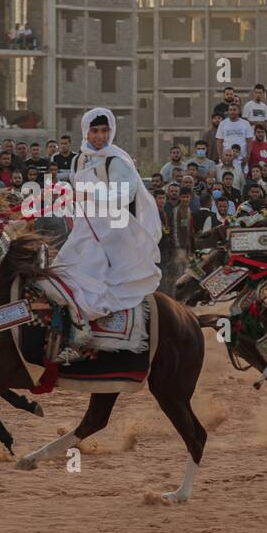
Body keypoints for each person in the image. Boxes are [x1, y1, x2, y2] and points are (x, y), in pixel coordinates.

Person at [48, 108, 161, 360]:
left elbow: (125, 194)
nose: (99, 136)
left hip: (112, 229)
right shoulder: (79, 160)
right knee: (60, 275)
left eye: (104, 131)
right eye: (94, 131)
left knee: (92, 280)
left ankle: (82, 339)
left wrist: (90, 196)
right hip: (86, 226)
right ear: (85, 131)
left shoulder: (116, 160)